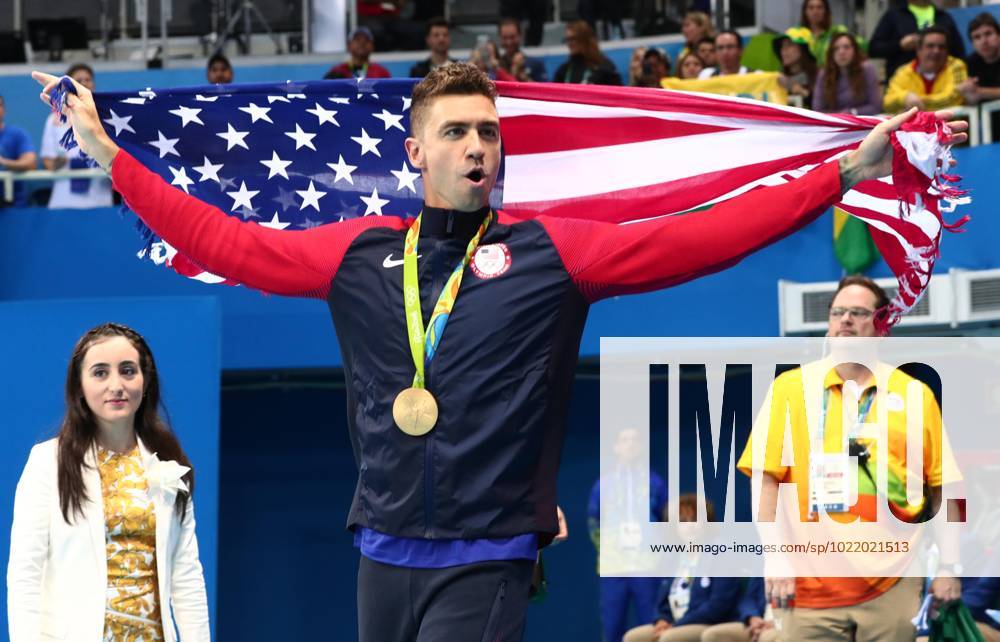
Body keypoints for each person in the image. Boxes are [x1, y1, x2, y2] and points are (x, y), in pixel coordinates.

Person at [33, 60, 968, 642]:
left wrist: (841, 175)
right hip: (380, 554)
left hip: (486, 557)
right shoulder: (360, 255)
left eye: (489, 130)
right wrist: (111, 159)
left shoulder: (554, 255)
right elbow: (228, 240)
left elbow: (705, 235)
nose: (480, 145)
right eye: (458, 132)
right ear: (417, 153)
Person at [736, 275, 963, 642]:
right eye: (838, 312)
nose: (845, 320)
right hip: (808, 586)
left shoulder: (915, 395)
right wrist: (775, 556)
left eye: (858, 313)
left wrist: (950, 566)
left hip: (893, 583)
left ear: (881, 325)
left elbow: (944, 488)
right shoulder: (789, 389)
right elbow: (764, 481)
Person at [7, 322, 210, 642]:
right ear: (79, 386)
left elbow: (186, 576)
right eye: (100, 372)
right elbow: (25, 575)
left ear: (145, 381)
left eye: (128, 371)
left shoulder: (171, 465)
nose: (116, 384)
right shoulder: (48, 462)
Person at [622, 496, 742, 642]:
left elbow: (718, 606)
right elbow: (663, 603)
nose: (690, 526)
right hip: (676, 623)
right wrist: (662, 620)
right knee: (634, 637)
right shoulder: (672, 557)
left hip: (709, 622)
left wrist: (677, 625)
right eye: (683, 521)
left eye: (695, 520)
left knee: (669, 638)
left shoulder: (722, 553)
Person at [587, 428, 669, 642]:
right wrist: (607, 549)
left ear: (641, 446)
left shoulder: (655, 482)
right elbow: (593, 521)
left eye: (634, 440)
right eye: (624, 440)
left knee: (651, 627)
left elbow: (667, 520)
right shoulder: (603, 485)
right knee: (612, 627)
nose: (629, 444)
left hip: (647, 565)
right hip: (614, 566)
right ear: (615, 447)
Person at [39, 63, 113, 209]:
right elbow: (48, 163)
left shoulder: (108, 118)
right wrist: (63, 161)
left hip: (100, 201)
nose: (84, 83)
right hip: (64, 201)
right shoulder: (54, 120)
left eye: (88, 79)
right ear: (68, 86)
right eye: (79, 81)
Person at [870, 0, 965, 80]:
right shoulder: (893, 15)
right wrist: (899, 45)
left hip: (940, 81)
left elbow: (958, 51)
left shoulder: (943, 16)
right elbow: (874, 49)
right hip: (902, 83)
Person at [884, 26, 968, 114]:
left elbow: (952, 99)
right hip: (915, 127)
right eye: (930, 46)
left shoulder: (956, 66)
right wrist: (905, 97)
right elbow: (887, 104)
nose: (936, 51)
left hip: (951, 126)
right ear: (918, 50)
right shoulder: (903, 72)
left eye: (942, 47)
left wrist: (914, 103)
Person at [813, 32, 883, 115]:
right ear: (831, 54)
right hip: (832, 124)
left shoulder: (867, 70)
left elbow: (875, 107)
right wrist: (840, 117)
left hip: (861, 122)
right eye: (836, 48)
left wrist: (851, 112)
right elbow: (817, 110)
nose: (841, 52)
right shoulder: (823, 74)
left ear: (855, 50)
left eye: (846, 47)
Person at [701, 578, 777, 642]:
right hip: (759, 620)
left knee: (772, 638)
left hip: (780, 622)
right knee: (712, 635)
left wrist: (776, 622)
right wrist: (752, 617)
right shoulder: (762, 564)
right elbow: (748, 598)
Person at [554, 20, 622, 85]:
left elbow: (617, 94)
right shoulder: (564, 70)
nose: (569, 43)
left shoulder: (605, 68)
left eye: (573, 39)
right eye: (567, 40)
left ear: (585, 39)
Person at [0, 93, 38, 208]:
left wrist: (4, 162)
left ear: (4, 110)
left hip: (14, 207)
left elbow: (31, 163)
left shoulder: (17, 134)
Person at [959, 13, 1000, 107]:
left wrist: (980, 92)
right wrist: (967, 93)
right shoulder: (970, 63)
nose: (984, 41)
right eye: (977, 37)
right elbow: (971, 100)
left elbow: (977, 93)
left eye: (988, 34)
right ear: (973, 44)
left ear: (999, 36)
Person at [324, 26, 392, 80]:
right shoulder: (337, 71)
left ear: (372, 46)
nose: (362, 43)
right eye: (357, 39)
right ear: (348, 45)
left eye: (366, 40)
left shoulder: (382, 73)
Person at [773, 28, 819, 107]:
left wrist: (803, 93)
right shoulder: (778, 78)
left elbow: (824, 107)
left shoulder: (820, 76)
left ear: (804, 48)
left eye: (789, 44)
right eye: (782, 46)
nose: (783, 50)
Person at [798, 0, 852, 64]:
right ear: (805, 11)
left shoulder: (838, 32)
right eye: (811, 8)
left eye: (819, 7)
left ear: (826, 11)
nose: (815, 11)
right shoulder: (797, 35)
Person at [498, 17, 547, 82]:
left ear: (520, 36)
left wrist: (522, 75)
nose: (509, 42)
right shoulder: (496, 66)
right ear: (500, 38)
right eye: (505, 38)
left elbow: (543, 91)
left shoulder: (536, 64)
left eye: (512, 37)